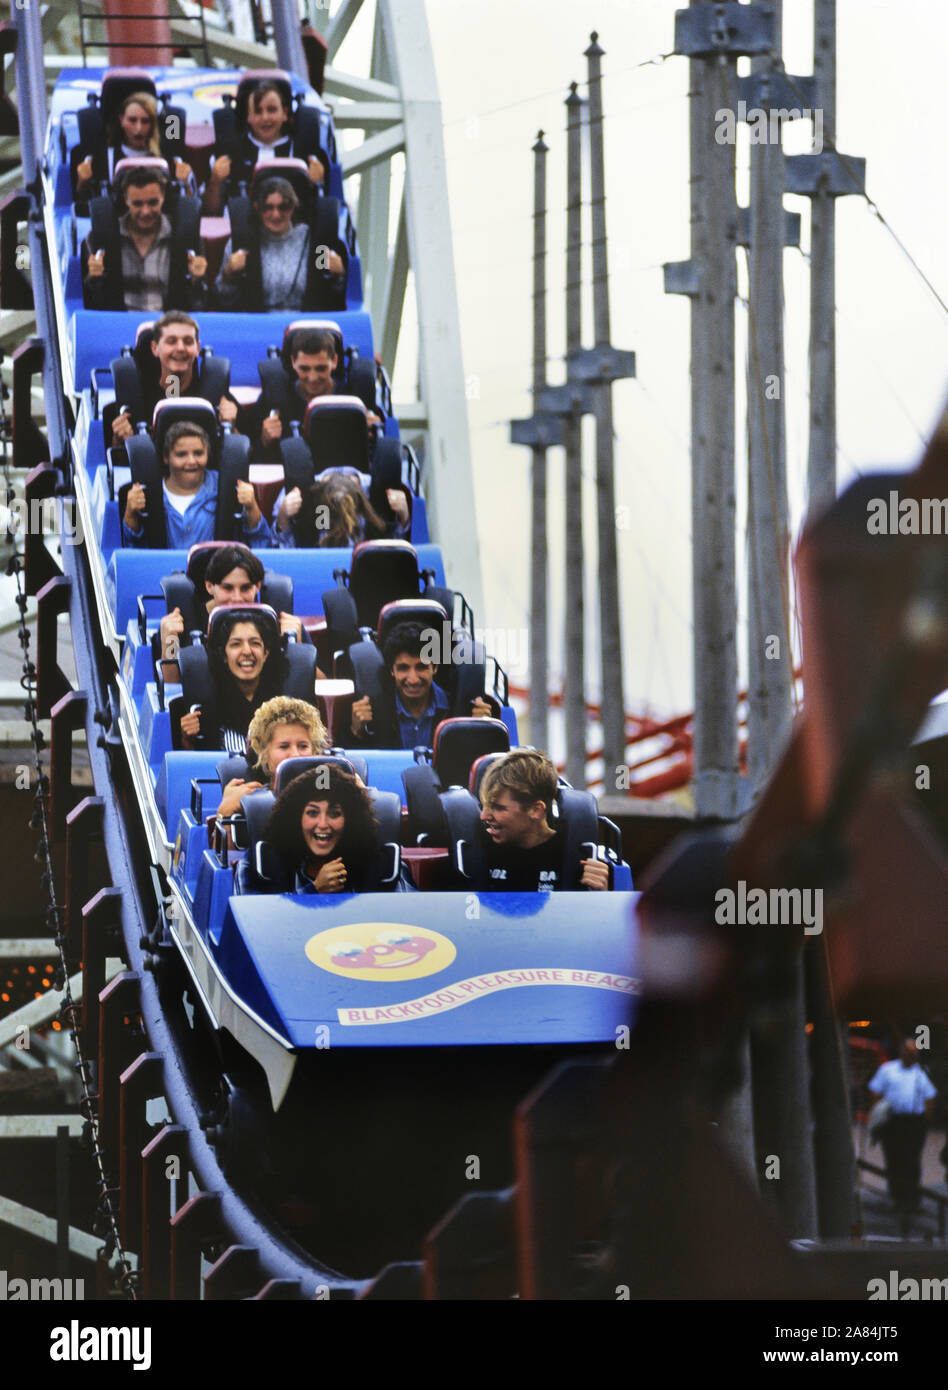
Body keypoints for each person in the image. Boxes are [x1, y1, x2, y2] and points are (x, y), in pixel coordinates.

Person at [158, 543, 308, 677]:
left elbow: (321, 684)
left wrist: (297, 648)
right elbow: (170, 693)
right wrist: (170, 644)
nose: (237, 598)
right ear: (209, 586)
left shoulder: (282, 624)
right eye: (227, 588)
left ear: (258, 586)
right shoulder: (181, 624)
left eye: (245, 588)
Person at [263, 764, 413, 893]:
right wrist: (313, 891)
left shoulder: (386, 866)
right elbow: (255, 919)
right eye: (312, 813)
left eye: (334, 814)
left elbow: (408, 918)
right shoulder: (264, 866)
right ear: (296, 819)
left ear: (351, 820)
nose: (322, 824)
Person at [122, 421, 270, 550]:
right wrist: (130, 513)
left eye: (198, 453)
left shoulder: (228, 486)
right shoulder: (148, 491)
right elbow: (132, 551)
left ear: (208, 454)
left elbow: (262, 546)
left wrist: (251, 507)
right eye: (181, 454)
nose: (191, 461)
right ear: (166, 457)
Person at [478, 751, 609, 892]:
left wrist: (601, 895)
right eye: (484, 806)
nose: (484, 816)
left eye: (498, 808)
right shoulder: (474, 849)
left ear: (536, 810)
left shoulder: (577, 854)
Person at [350, 621, 493, 749]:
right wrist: (356, 731)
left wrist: (484, 730)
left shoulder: (461, 711)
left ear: (435, 667)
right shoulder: (373, 713)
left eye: (421, 667)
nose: (413, 679)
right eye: (403, 668)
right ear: (391, 670)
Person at [107, 311, 239, 449]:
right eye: (171, 341)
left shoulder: (220, 399)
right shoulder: (132, 403)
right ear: (155, 348)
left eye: (188, 341)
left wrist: (231, 428)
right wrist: (120, 441)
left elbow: (248, 455)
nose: (180, 348)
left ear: (197, 348)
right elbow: (113, 463)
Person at [82, 167, 207, 312]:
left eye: (153, 202)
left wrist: (196, 280)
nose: (145, 211)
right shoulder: (100, 237)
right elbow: (86, 301)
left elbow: (199, 303)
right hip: (117, 323)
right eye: (137, 204)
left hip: (168, 325)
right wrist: (92, 278)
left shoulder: (186, 238)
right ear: (125, 199)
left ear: (163, 197)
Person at [214, 177, 345, 312]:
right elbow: (223, 299)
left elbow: (329, 295)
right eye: (268, 208)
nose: (276, 215)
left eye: (284, 207)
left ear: (294, 206)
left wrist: (339, 276)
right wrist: (228, 275)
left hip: (304, 325)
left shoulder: (315, 242)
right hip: (257, 324)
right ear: (257, 208)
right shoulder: (242, 242)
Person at [202, 79, 327, 215]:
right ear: (248, 117)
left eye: (271, 110)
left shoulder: (306, 155)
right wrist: (216, 180)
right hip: (241, 231)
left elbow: (323, 213)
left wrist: (317, 182)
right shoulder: (228, 154)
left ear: (284, 113)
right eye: (258, 111)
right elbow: (210, 212)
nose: (265, 118)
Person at [179, 608, 287, 754]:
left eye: (255, 643)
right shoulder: (205, 708)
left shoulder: (286, 704)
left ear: (266, 653)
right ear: (224, 655)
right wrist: (186, 740)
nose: (247, 651)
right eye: (236, 644)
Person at [215, 694, 329, 824]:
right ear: (264, 756)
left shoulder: (331, 794)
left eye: (303, 746)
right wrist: (224, 814)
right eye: (284, 746)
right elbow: (222, 844)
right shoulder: (248, 801)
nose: (295, 755)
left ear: (314, 753)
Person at [72, 89, 192, 202]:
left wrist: (185, 184)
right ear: (121, 120)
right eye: (132, 120)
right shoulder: (103, 157)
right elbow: (84, 205)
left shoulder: (169, 158)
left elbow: (188, 206)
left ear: (153, 124)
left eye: (145, 121)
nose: (138, 129)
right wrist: (82, 183)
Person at [868, 1039, 937, 1213]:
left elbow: (930, 1096)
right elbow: (875, 1091)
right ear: (901, 1052)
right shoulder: (888, 1070)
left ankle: (912, 1198)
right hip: (894, 1121)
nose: (911, 1055)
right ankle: (897, 1197)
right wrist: (879, 1114)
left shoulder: (920, 1072)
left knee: (912, 1160)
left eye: (914, 1053)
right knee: (894, 1159)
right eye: (908, 1051)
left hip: (913, 1121)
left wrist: (923, 1121)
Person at [274, 471, 409, 549]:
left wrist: (403, 516)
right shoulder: (323, 513)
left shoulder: (364, 513)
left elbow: (396, 550)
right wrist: (283, 518)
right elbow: (287, 552)